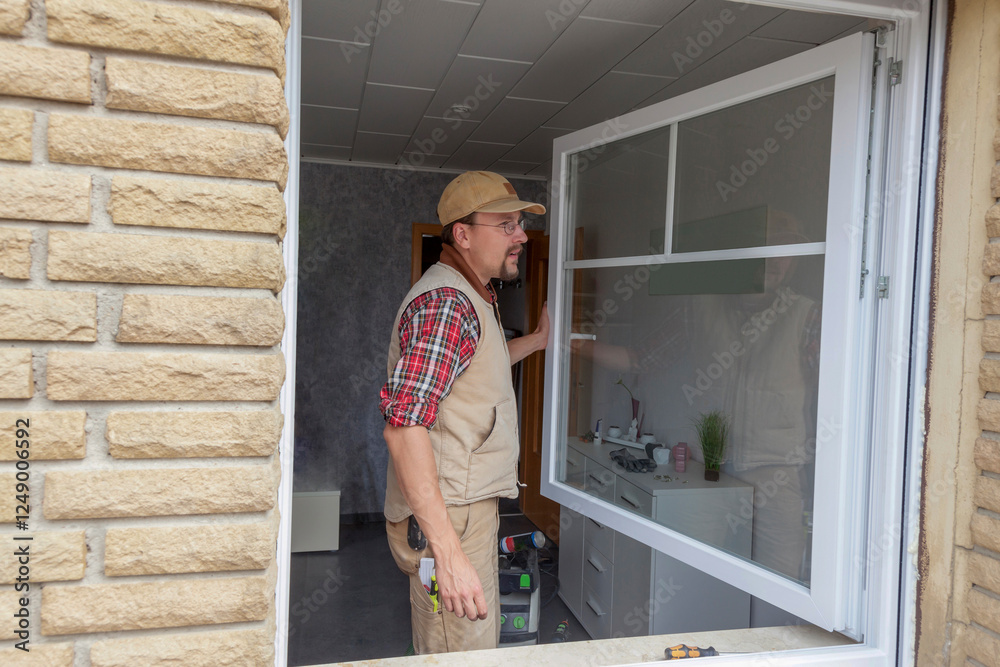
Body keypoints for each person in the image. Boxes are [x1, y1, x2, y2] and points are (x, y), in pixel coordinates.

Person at [379, 171, 550, 654]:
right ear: (463, 234)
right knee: (459, 650)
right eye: (507, 226)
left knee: (470, 642)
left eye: (520, 224)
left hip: (463, 505)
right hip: (449, 514)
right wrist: (448, 554)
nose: (521, 237)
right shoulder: (448, 304)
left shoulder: (473, 295)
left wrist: (534, 342)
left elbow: (471, 367)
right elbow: (404, 425)